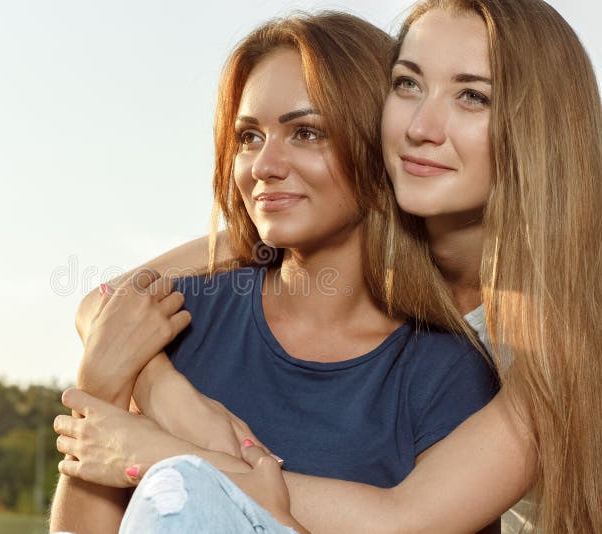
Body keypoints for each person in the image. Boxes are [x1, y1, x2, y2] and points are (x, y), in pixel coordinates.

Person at [57, 0, 602, 532]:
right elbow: (109, 303)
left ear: (540, 130)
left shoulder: (552, 342)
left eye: (472, 96)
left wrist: (172, 458)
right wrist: (162, 392)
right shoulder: (288, 257)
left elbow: (404, 521)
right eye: (408, 83)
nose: (420, 126)